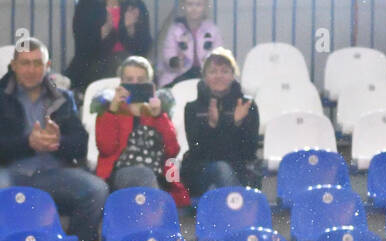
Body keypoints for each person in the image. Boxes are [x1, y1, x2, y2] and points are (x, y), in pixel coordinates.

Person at [0, 40, 108, 241]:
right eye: (25, 63)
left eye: (38, 63)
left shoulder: (63, 98)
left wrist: (59, 141)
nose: (31, 70)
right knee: (1, 188)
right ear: (14, 66)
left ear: (48, 66)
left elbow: (80, 143)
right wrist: (28, 143)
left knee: (97, 189)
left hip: (53, 173)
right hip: (9, 171)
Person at [90, 56, 189, 205]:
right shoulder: (110, 110)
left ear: (150, 84)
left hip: (157, 172)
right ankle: (155, 223)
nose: (135, 84)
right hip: (121, 173)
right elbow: (106, 149)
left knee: (153, 180)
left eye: (141, 80)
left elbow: (172, 152)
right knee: (143, 175)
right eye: (129, 80)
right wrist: (113, 110)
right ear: (121, 83)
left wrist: (159, 116)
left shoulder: (157, 112)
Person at [180, 48, 261, 199]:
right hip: (202, 172)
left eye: (224, 71)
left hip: (238, 170)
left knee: (226, 170)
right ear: (204, 76)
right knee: (220, 168)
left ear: (232, 75)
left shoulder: (247, 105)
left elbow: (249, 151)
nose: (219, 76)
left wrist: (236, 123)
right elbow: (198, 152)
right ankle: (239, 211)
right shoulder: (192, 108)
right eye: (213, 71)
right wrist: (212, 125)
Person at [66, 0, 153, 95]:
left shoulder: (135, 5)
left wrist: (129, 29)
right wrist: (104, 32)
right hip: (93, 67)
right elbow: (82, 48)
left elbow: (144, 49)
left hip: (130, 67)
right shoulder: (87, 5)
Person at [157, 0, 224, 87]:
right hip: (179, 73)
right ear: (183, 6)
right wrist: (174, 61)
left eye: (198, 5)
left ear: (205, 7)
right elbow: (168, 51)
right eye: (190, 4)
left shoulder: (212, 29)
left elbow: (219, 51)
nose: (194, 8)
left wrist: (212, 62)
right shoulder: (175, 29)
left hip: (205, 73)